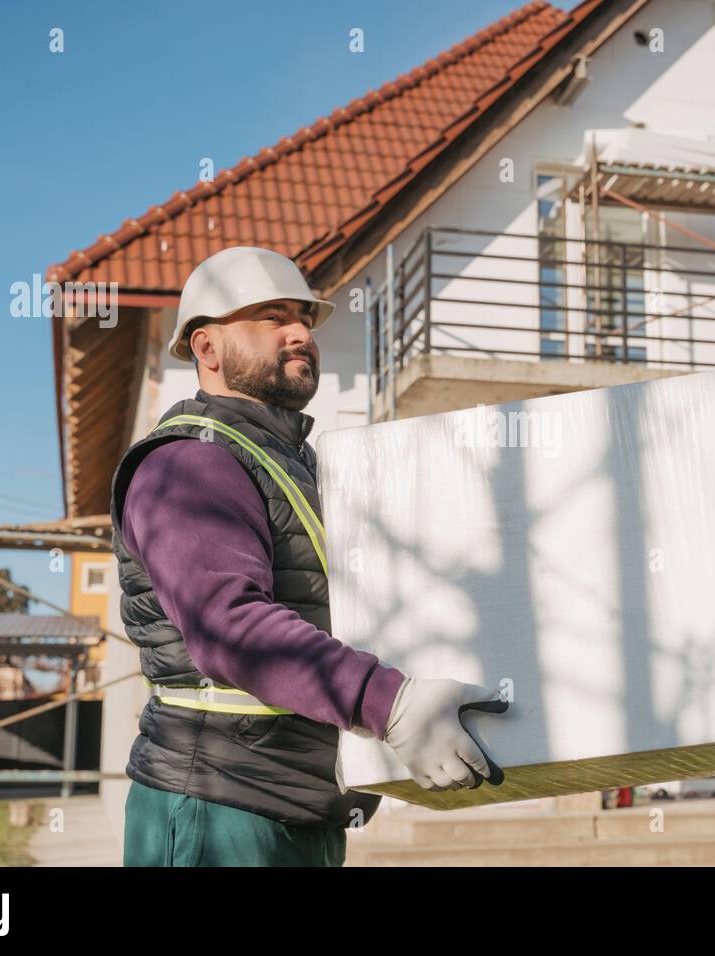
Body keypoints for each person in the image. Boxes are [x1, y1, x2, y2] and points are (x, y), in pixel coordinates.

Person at [110, 246, 509, 866]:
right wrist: (392, 704)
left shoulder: (295, 465)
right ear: (206, 347)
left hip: (299, 805)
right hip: (220, 808)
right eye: (271, 317)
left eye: (303, 317)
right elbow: (229, 629)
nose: (301, 332)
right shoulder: (188, 464)